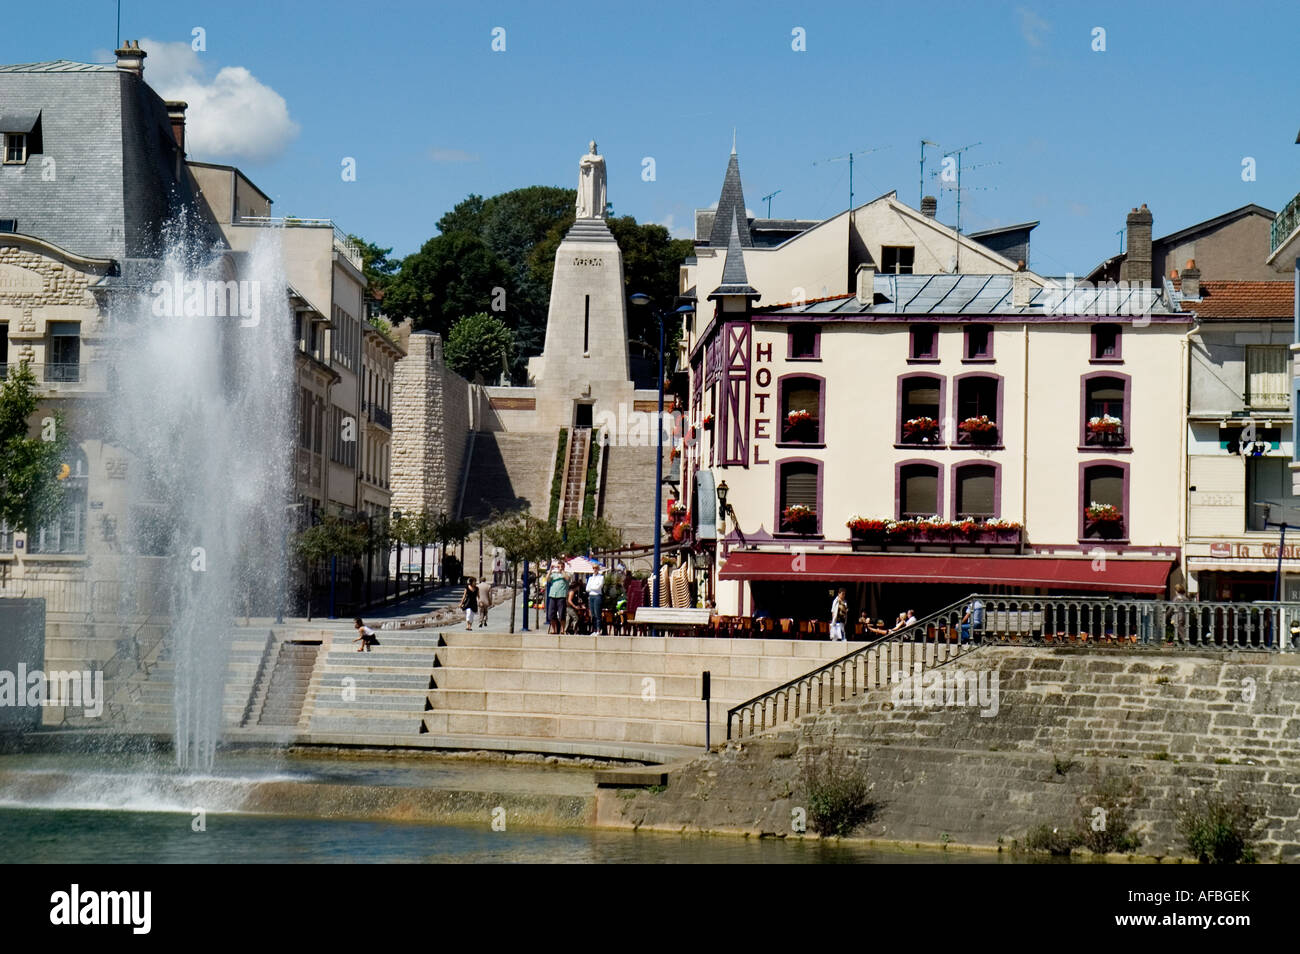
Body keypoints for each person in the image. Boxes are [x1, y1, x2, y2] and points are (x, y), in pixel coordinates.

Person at [546, 565, 568, 634]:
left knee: (561, 614)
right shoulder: (554, 574)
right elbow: (547, 579)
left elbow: (567, 578)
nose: (559, 568)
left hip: (561, 596)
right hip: (553, 595)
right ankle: (554, 630)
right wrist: (550, 570)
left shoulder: (566, 573)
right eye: (558, 566)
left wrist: (562, 571)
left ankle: (562, 629)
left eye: (561, 566)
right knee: (551, 614)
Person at [586, 564, 606, 634]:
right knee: (593, 614)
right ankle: (594, 629)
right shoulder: (591, 578)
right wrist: (593, 587)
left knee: (598, 613)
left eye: (596, 568)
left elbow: (598, 587)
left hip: (597, 596)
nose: (595, 569)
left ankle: (598, 630)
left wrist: (592, 587)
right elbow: (587, 588)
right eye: (593, 568)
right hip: (591, 596)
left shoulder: (601, 577)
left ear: (598, 569)